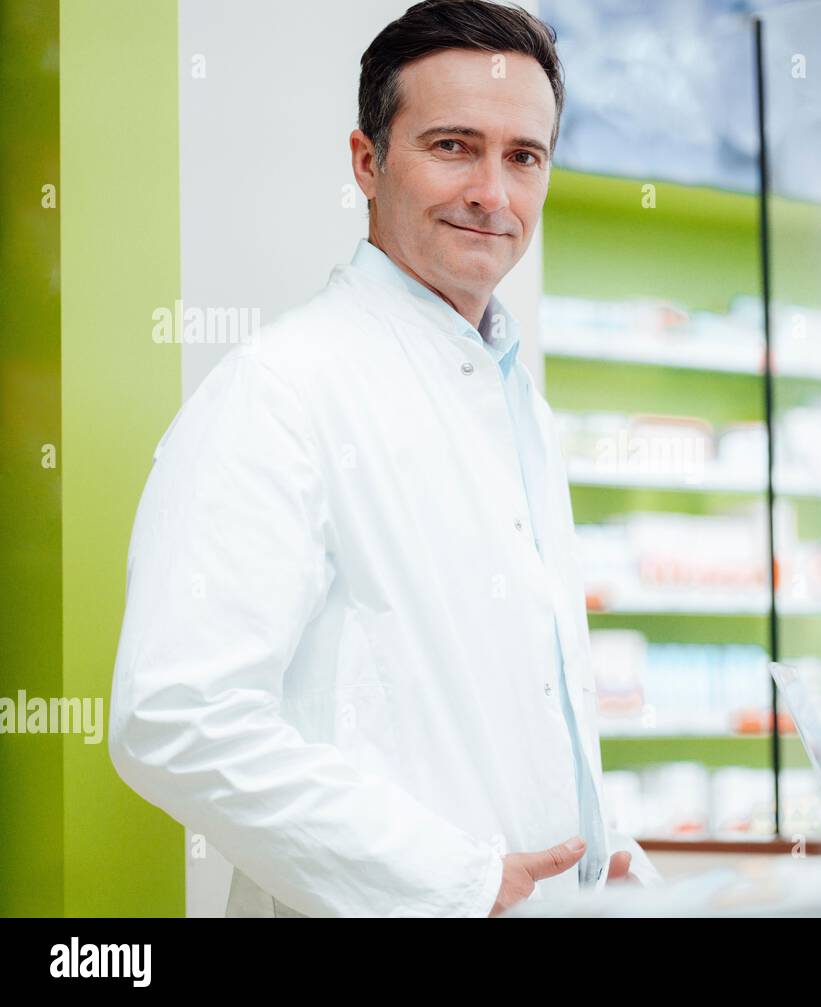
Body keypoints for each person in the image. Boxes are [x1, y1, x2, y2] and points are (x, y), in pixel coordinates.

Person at [108, 0, 659, 918]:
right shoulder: (280, 388)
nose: (494, 191)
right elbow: (176, 716)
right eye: (453, 146)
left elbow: (504, 705)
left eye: (524, 156)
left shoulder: (520, 402)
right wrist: (455, 882)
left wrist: (599, 856)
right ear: (367, 162)